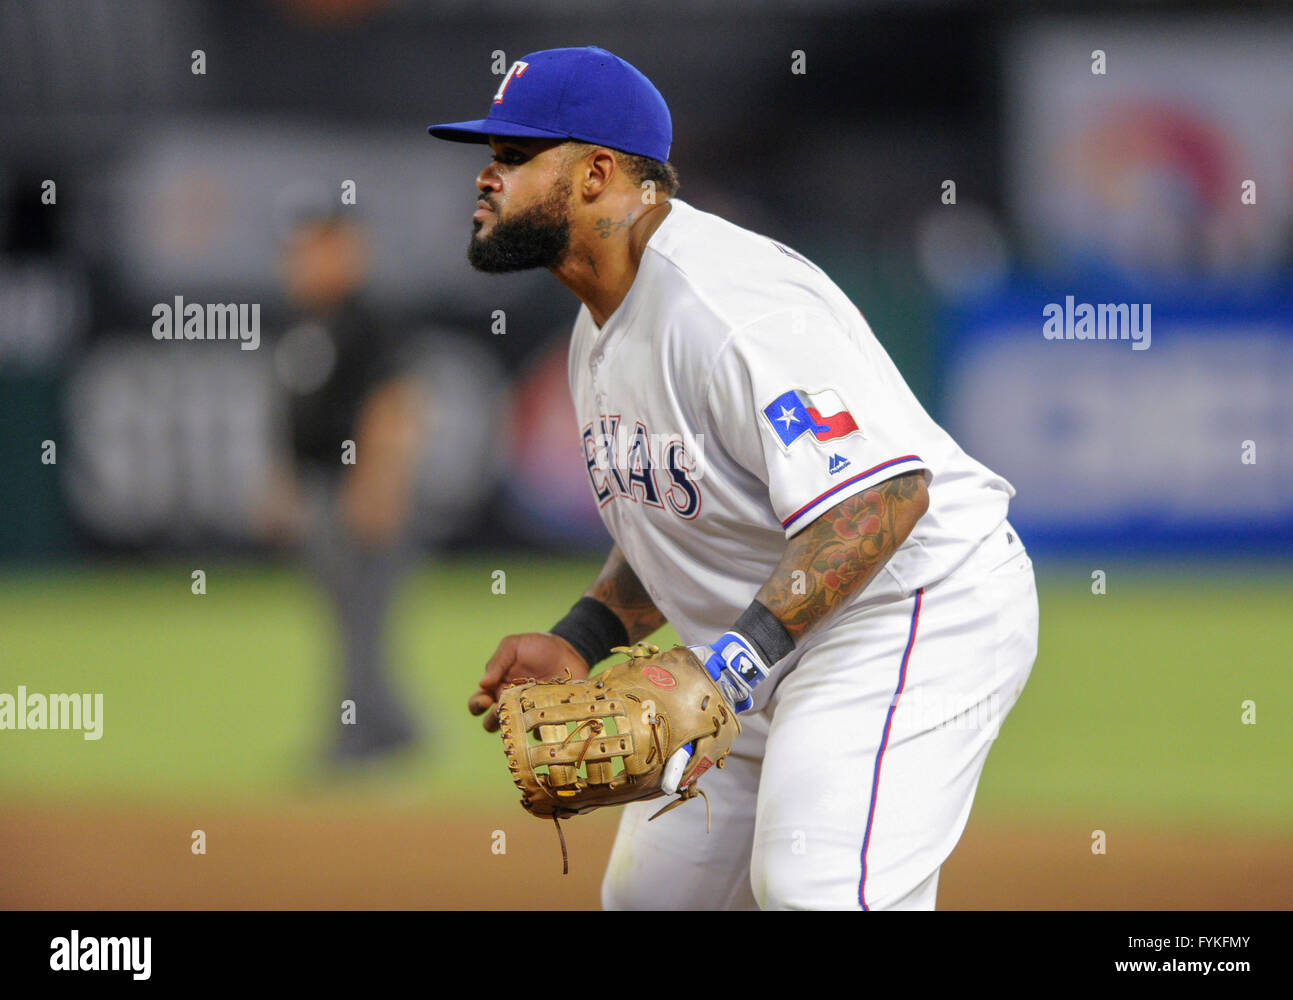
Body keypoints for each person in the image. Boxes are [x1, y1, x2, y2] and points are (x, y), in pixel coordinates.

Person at [429, 46, 1038, 910]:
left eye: (515, 157)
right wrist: (583, 637)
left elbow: (881, 497)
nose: (488, 178)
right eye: (491, 157)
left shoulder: (731, 306)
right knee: (652, 899)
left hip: (908, 612)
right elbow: (686, 520)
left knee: (814, 890)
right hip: (763, 639)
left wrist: (727, 673)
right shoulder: (597, 326)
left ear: (599, 172)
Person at [262, 188, 425, 766]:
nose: (300, 262)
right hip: (323, 492)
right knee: (351, 623)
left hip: (361, 492)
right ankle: (399, 727)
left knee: (361, 624)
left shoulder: (369, 320)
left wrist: (377, 488)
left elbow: (395, 406)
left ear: (346, 251)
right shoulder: (307, 324)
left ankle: (355, 740)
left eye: (315, 250)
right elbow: (292, 415)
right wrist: (282, 485)